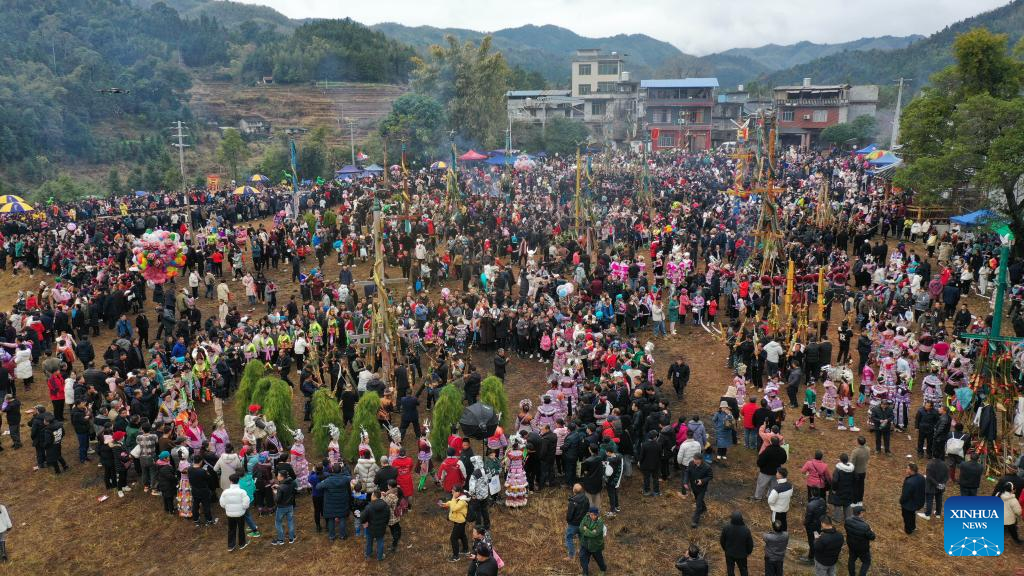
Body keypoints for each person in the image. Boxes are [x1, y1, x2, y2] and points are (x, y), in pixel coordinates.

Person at [319, 463, 352, 541]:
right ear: (341, 470)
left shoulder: (328, 480)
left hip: (330, 504)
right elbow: (350, 476)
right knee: (342, 518)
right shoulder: (345, 479)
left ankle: (331, 536)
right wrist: (344, 469)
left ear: (332, 470)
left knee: (331, 519)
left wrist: (323, 481)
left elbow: (318, 486)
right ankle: (342, 536)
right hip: (342, 502)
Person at [219, 472, 251, 551]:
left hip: (230, 514)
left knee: (231, 529)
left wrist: (227, 508)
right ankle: (242, 544)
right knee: (241, 529)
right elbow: (246, 504)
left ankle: (231, 546)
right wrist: (242, 508)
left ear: (230, 481)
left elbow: (222, 503)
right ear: (238, 480)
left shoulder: (225, 492)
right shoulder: (242, 492)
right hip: (240, 514)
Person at [719, 511, 754, 576]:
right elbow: (750, 544)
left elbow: (722, 541)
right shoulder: (746, 530)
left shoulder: (726, 528)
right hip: (742, 555)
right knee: (743, 570)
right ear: (741, 519)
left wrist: (726, 549)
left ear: (732, 519)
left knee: (730, 569)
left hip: (729, 553)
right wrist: (748, 552)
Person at [440, 486, 469, 562]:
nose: (452, 492)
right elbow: (452, 503)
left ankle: (456, 556)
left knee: (453, 538)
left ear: (458, 492)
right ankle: (466, 550)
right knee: (462, 535)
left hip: (460, 522)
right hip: (459, 521)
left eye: (454, 491)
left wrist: (453, 498)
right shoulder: (459, 498)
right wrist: (445, 504)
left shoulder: (462, 501)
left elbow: (454, 508)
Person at [844, 505, 875, 576]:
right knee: (866, 562)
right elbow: (872, 537)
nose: (863, 514)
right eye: (863, 512)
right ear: (860, 513)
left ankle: (852, 574)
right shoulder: (865, 526)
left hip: (851, 545)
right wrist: (871, 530)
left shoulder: (847, 520)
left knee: (851, 560)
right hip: (862, 548)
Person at [754, 436, 787, 501]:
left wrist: (760, 466)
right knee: (773, 486)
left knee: (761, 485)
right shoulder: (782, 450)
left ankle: (758, 497)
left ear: (771, 442)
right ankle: (770, 497)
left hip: (765, 472)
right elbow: (783, 460)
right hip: (776, 472)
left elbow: (760, 461)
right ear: (778, 442)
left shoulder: (767, 450)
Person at [578, 506, 607, 576]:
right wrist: (590, 531)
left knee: (599, 559)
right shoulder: (586, 517)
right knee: (582, 557)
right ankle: (585, 572)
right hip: (585, 543)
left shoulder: (600, 522)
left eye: (595, 515)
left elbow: (595, 534)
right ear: (589, 513)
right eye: (591, 514)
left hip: (595, 545)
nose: (593, 516)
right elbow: (581, 528)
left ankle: (603, 569)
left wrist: (586, 529)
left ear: (597, 514)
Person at [363, 490, 390, 561]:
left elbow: (363, 517)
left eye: (372, 495)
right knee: (380, 541)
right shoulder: (386, 506)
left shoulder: (369, 506)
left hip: (370, 528)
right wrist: (385, 524)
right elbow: (388, 517)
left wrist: (364, 522)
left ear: (374, 496)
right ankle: (380, 557)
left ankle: (368, 555)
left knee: (369, 542)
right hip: (381, 528)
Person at [899, 463, 926, 534]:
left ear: (911, 470)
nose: (906, 469)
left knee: (906, 517)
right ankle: (913, 527)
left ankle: (908, 531)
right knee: (912, 515)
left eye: (907, 468)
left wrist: (901, 501)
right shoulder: (921, 477)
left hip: (909, 504)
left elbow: (905, 495)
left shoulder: (910, 482)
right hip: (917, 502)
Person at [272, 469, 296, 545]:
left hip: (281, 507)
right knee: (290, 521)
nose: (277, 477)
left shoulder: (281, 487)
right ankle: (292, 538)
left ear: (282, 477)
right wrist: (279, 487)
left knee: (278, 522)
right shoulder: (291, 483)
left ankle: (280, 539)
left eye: (278, 475)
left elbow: (277, 500)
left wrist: (275, 492)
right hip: (290, 506)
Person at [688, 453, 713, 528]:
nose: (694, 461)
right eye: (694, 459)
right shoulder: (691, 463)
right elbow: (687, 472)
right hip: (694, 486)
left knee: (698, 503)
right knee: (698, 499)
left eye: (696, 460)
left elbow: (710, 476)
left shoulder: (707, 467)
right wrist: (685, 481)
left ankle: (695, 521)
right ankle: (704, 508)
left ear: (700, 460)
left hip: (702, 488)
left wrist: (702, 481)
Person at [828, 454, 855, 524]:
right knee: (847, 503)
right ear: (847, 460)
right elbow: (856, 478)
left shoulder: (838, 470)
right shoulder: (852, 469)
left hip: (839, 490)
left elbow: (835, 481)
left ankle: (837, 520)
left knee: (838, 504)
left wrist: (834, 489)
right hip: (849, 490)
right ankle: (848, 519)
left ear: (840, 460)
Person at [565, 483, 589, 560]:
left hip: (573, 524)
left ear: (574, 490)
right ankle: (583, 553)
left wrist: (568, 521)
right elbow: (587, 511)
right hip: (583, 523)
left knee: (569, 538)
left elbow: (569, 515)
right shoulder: (586, 499)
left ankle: (571, 555)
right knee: (582, 538)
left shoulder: (573, 501)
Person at [922, 455, 949, 520]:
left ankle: (928, 515)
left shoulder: (930, 464)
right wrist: (942, 483)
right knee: (939, 499)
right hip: (940, 485)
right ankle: (938, 514)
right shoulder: (945, 464)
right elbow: (947, 476)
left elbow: (929, 476)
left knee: (929, 500)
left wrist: (937, 484)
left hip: (931, 485)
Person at [802, 494, 827, 564]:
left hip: (811, 527)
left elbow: (808, 518)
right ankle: (816, 554)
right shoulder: (822, 501)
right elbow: (824, 512)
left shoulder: (811, 505)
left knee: (811, 541)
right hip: (819, 524)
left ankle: (811, 557)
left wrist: (805, 523)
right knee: (816, 539)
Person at [767, 467, 793, 531]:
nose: (776, 474)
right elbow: (790, 495)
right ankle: (784, 535)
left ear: (780, 475)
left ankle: (778, 536)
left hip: (777, 511)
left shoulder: (776, 489)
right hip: (785, 509)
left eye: (777, 473)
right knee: (784, 523)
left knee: (776, 526)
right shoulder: (790, 486)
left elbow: (770, 501)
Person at [639, 429, 662, 496]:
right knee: (655, 478)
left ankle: (647, 491)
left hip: (646, 465)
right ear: (655, 437)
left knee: (646, 478)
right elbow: (660, 455)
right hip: (656, 465)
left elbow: (641, 456)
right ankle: (656, 492)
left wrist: (640, 462)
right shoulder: (659, 445)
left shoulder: (644, 445)